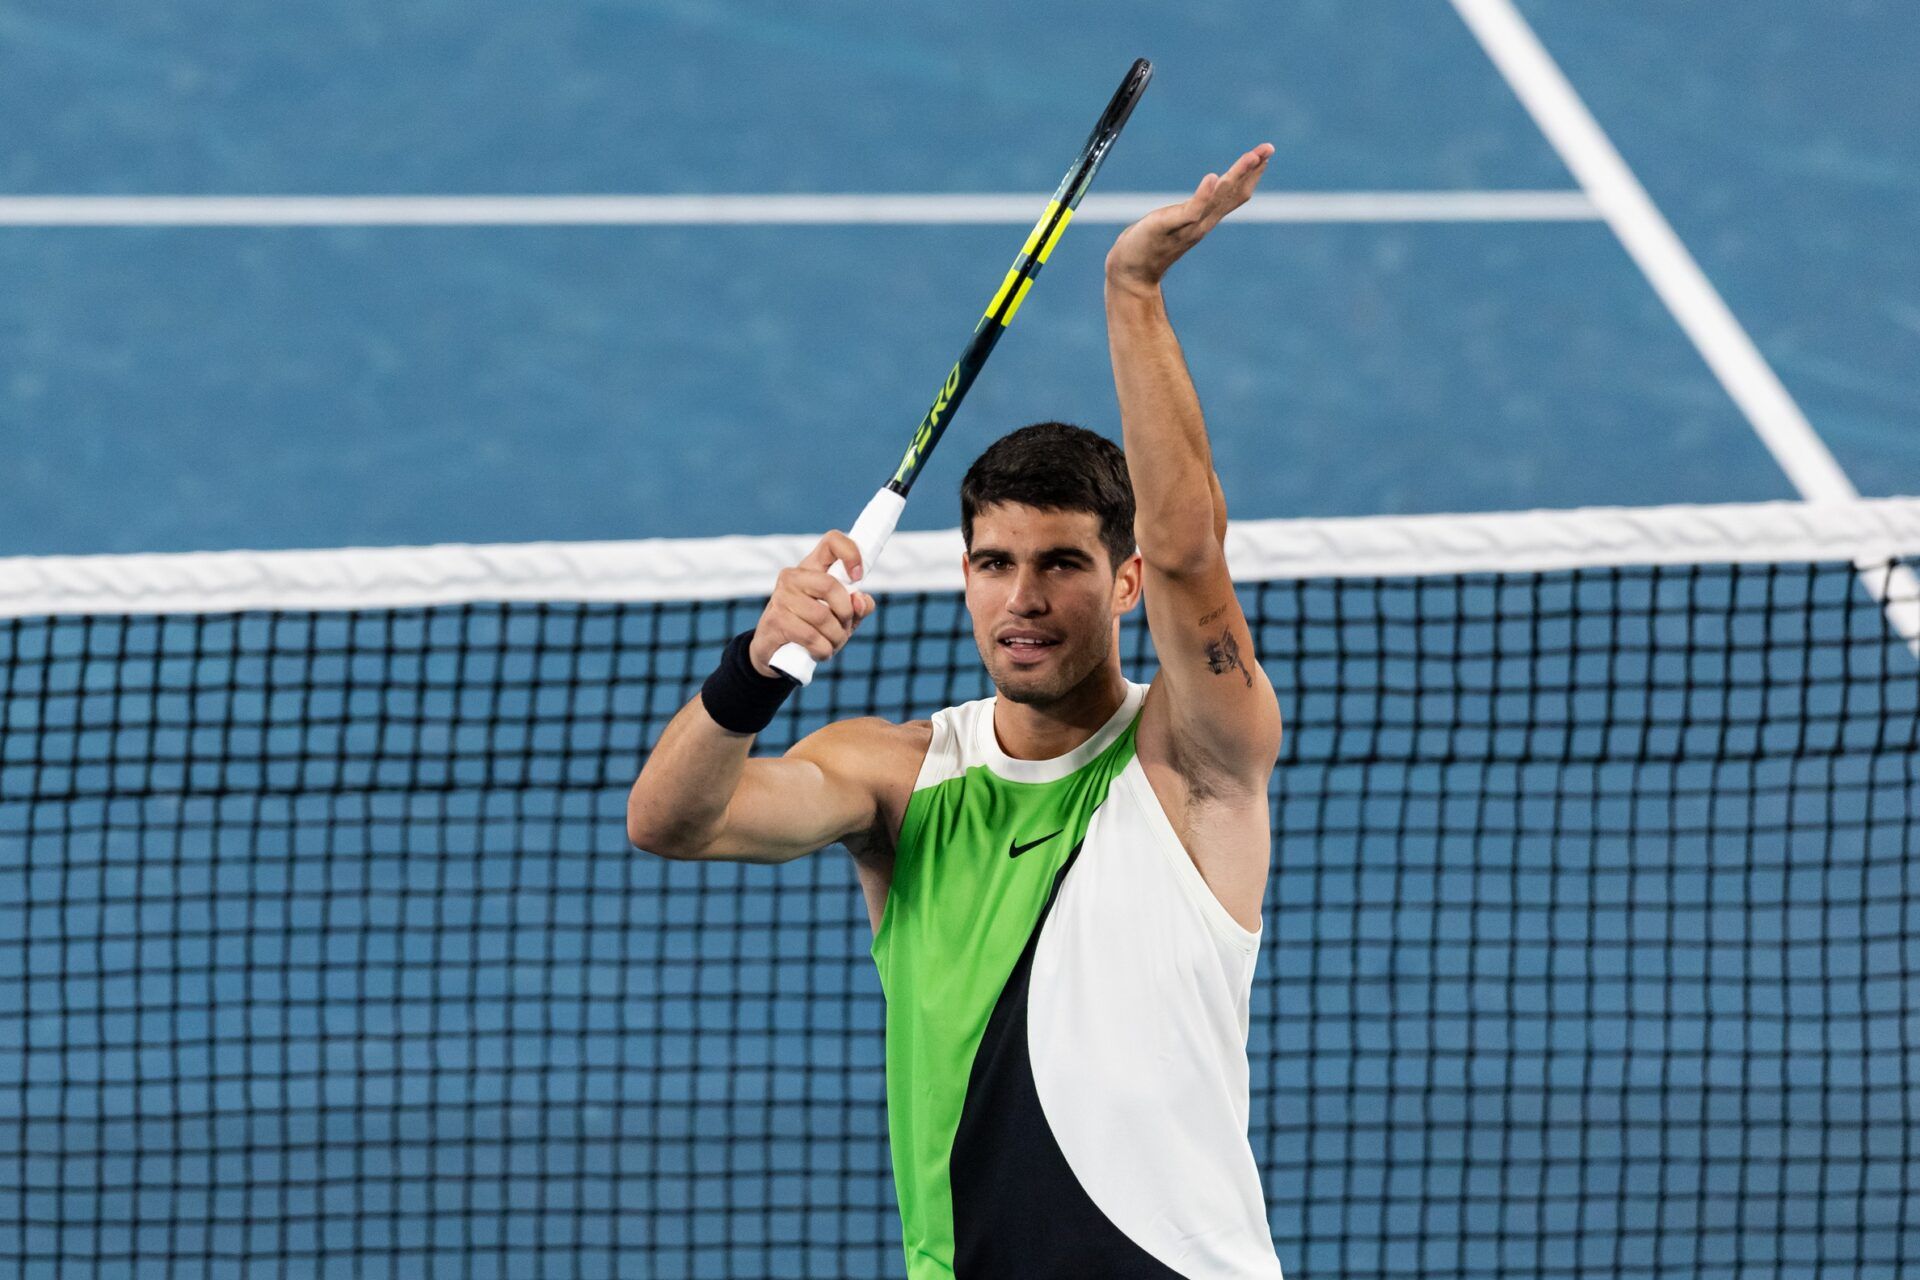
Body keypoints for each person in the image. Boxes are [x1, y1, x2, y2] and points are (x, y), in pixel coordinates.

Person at [628, 143, 1285, 1280]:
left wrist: (1132, 294)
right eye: (993, 563)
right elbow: (672, 820)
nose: (1022, 599)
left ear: (1123, 581)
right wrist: (757, 664)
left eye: (1063, 564)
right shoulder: (895, 775)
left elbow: (1191, 550)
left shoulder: (1195, 758)